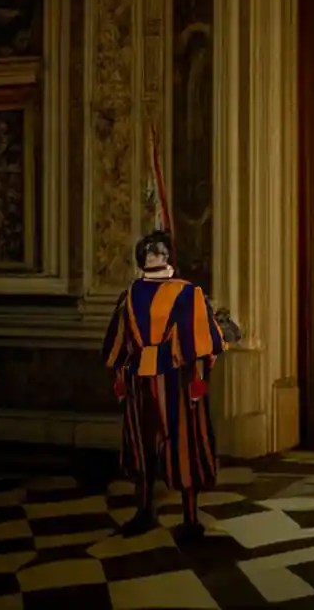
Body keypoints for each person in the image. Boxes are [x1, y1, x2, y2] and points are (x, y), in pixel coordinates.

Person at [102, 231, 226, 541]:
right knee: (142, 447)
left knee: (185, 447)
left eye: (158, 250)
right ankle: (144, 510)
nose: (153, 254)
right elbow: (121, 339)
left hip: (177, 380)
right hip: (139, 379)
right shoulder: (130, 294)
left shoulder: (187, 293)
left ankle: (190, 517)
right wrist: (120, 377)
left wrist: (198, 379)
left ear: (169, 255)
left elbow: (201, 339)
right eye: (148, 250)